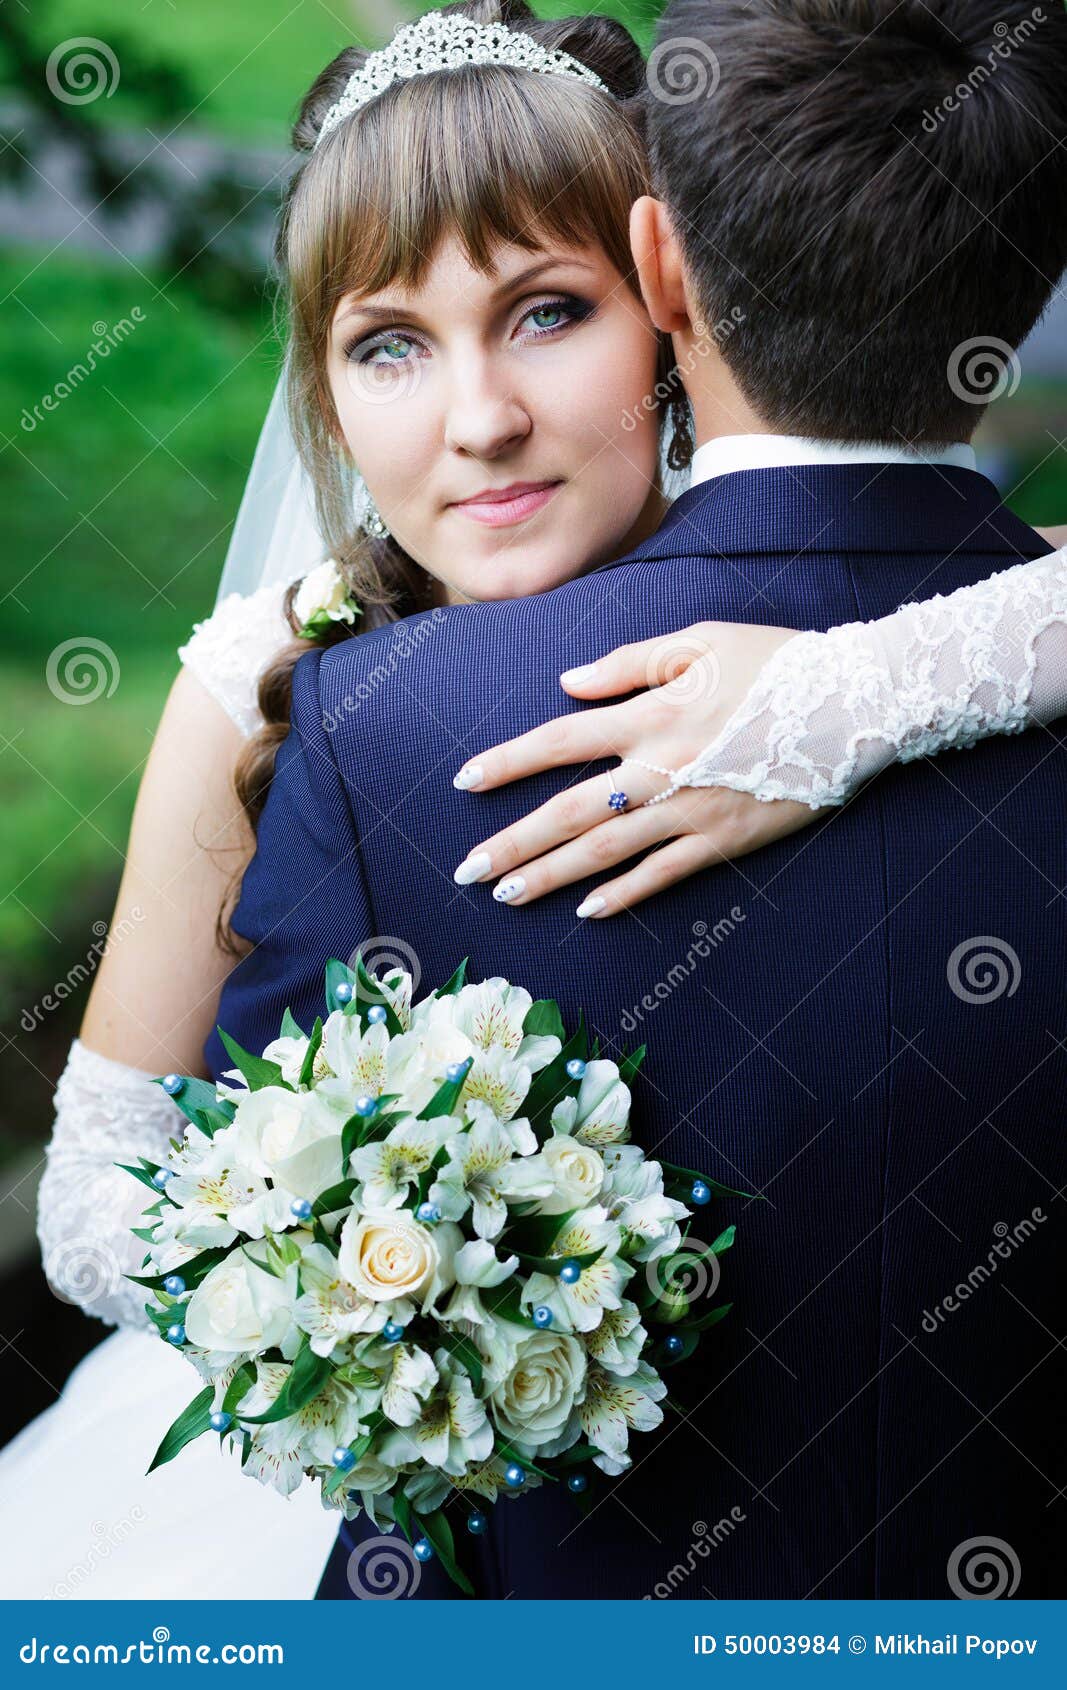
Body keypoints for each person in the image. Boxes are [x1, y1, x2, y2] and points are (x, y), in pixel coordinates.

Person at [23, 0, 1066, 1600]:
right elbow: (102, 1188)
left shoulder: (924, 631)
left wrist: (835, 705)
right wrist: (366, 1280)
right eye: (390, 345)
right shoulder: (281, 682)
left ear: (666, 299)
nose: (479, 418)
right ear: (322, 386)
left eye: (546, 313)